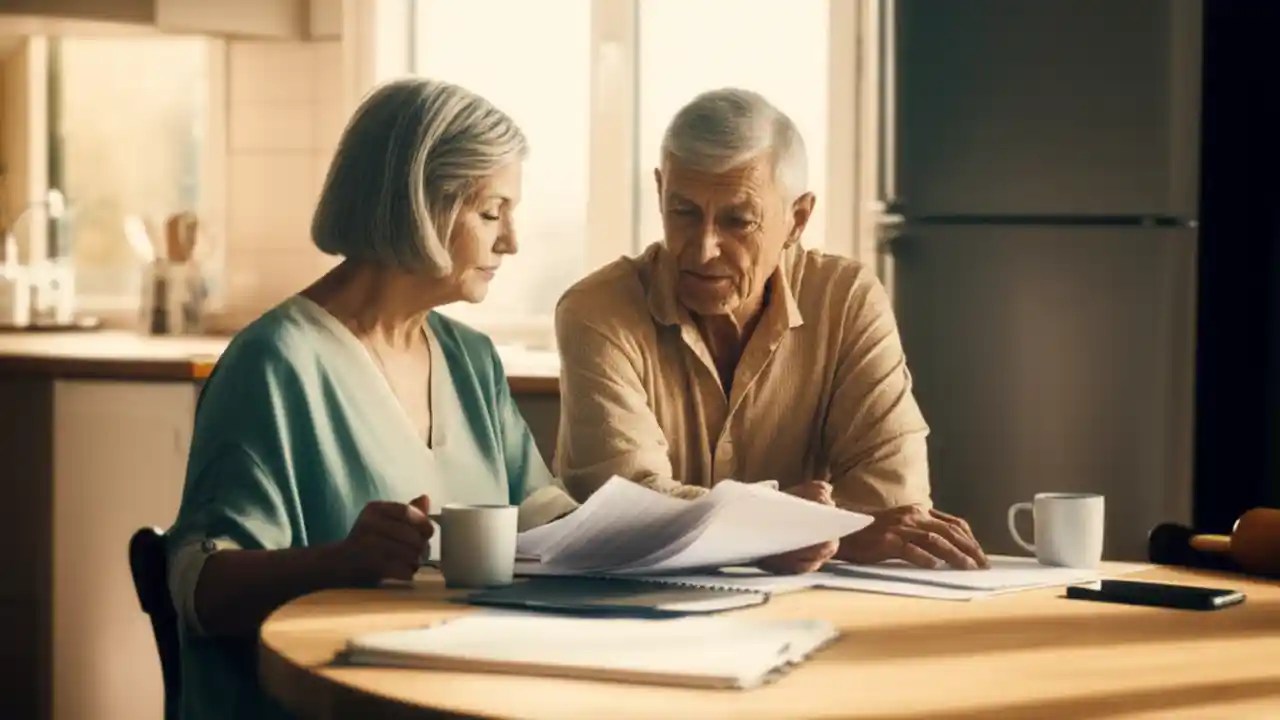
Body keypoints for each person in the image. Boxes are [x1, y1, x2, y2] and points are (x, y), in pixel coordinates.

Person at [165, 78, 577, 719]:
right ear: (422, 205)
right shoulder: (275, 363)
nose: (511, 241)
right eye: (492, 212)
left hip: (463, 693)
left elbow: (548, 524)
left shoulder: (471, 360)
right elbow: (200, 591)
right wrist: (342, 562)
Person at [555, 88, 987, 575]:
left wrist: (774, 531)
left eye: (739, 220)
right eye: (683, 212)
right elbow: (629, 505)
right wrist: (775, 529)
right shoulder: (596, 310)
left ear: (797, 219)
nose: (702, 250)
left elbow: (893, 498)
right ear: (659, 193)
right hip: (624, 614)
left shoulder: (845, 299)